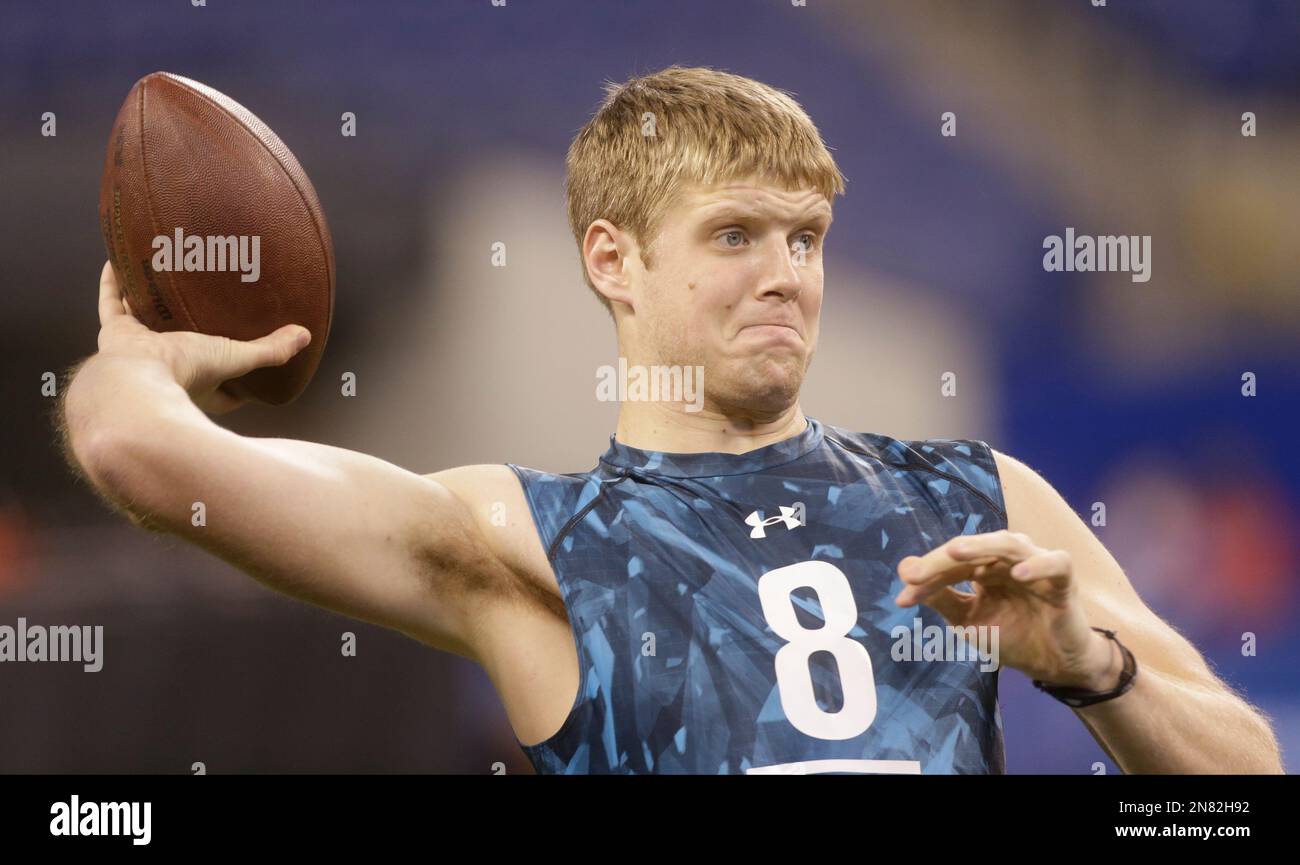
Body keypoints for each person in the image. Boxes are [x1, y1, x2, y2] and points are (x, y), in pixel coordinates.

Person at [58, 65, 1281, 774]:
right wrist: (139, 359)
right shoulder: (523, 538)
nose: (786, 275)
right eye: (734, 235)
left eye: (804, 237)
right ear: (614, 260)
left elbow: (1238, 784)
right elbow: (135, 448)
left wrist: (1091, 669)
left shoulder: (979, 497)